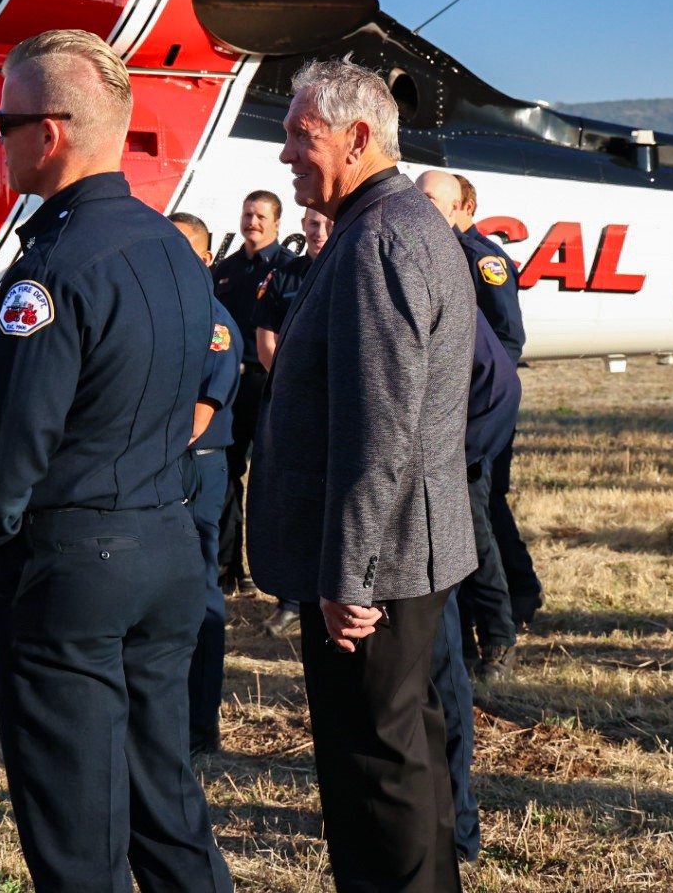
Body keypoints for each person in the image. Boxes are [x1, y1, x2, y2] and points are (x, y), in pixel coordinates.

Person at [0, 30, 232, 892]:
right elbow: (91, 394)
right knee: (166, 813)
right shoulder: (172, 251)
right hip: (167, 550)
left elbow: (18, 441)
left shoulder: (52, 267)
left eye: (4, 120)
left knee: (76, 839)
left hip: (74, 571)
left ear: (51, 132)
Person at [248, 60, 477, 893]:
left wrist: (348, 575)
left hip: (376, 563)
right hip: (402, 549)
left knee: (374, 769)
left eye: (297, 137)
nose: (284, 158)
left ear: (355, 137)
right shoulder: (390, 222)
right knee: (403, 752)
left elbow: (379, 428)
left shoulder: (379, 236)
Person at [418, 169, 542, 632]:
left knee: (483, 508)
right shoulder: (434, 254)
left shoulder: (481, 259)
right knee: (480, 510)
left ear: (461, 208)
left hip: (480, 407)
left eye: (433, 199)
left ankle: (506, 612)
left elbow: (507, 339)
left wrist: (468, 397)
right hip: (450, 411)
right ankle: (515, 595)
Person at [431, 311, 522, 863]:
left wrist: (452, 462)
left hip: (420, 512)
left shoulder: (425, 257)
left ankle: (456, 828)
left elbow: (499, 380)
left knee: (440, 672)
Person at [170, 211, 243, 759]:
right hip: (165, 464)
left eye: (180, 248)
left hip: (195, 464)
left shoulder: (214, 322)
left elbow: (199, 412)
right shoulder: (163, 310)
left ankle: (200, 724)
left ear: (205, 258)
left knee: (198, 592)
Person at [252, 207, 332, 639]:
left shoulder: (349, 267)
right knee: (288, 497)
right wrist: (292, 387)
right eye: (312, 224)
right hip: (289, 402)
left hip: (335, 408)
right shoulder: (284, 274)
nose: (318, 231)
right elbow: (267, 340)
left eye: (325, 223)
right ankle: (290, 599)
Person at [211, 189, 285, 594]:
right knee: (226, 475)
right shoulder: (225, 270)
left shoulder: (288, 269)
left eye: (260, 216)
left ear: (276, 222)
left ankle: (266, 571)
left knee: (270, 481)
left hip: (269, 383)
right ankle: (229, 567)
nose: (252, 222)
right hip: (229, 386)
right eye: (247, 214)